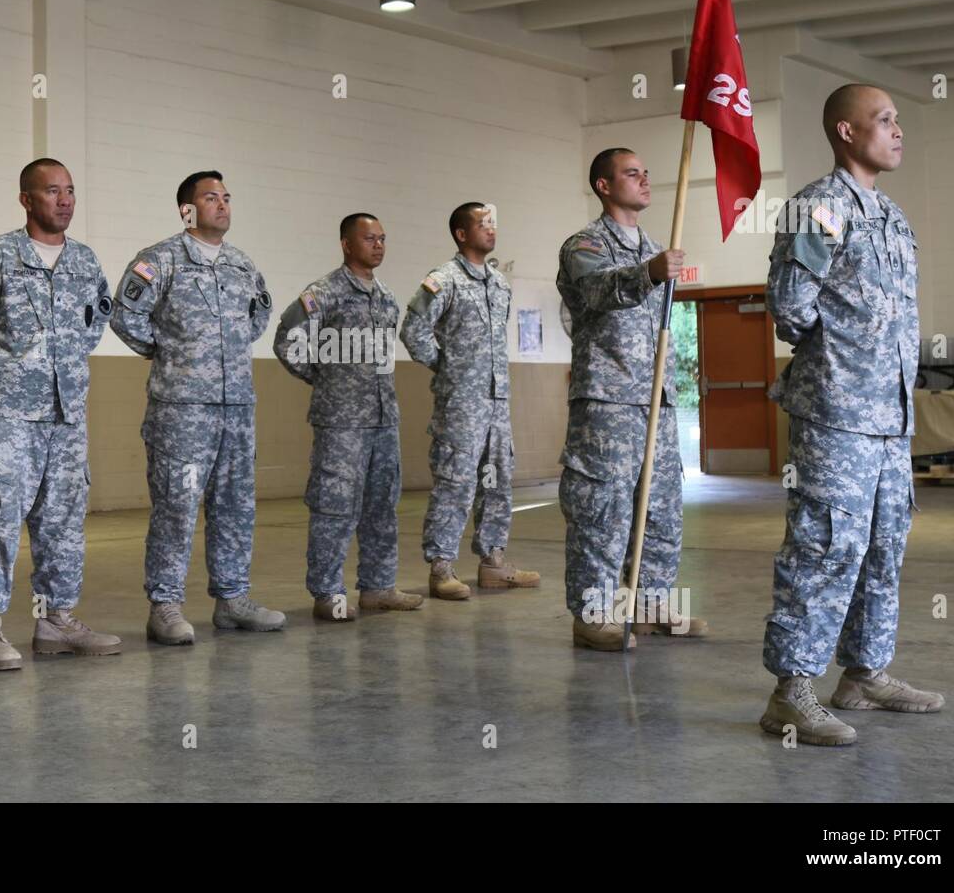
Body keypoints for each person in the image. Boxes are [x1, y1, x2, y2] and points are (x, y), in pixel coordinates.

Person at [760, 84, 944, 746]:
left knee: (883, 547)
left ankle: (864, 674)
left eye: (897, 120)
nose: (898, 131)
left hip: (890, 418)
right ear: (845, 130)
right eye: (885, 120)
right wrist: (837, 359)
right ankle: (791, 692)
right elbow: (789, 304)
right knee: (824, 548)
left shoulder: (891, 215)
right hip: (836, 411)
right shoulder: (819, 208)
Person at [0, 158, 120, 671]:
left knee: (62, 523)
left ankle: (55, 621)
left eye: (70, 191)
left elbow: (96, 321)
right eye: (51, 191)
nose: (64, 200)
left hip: (68, 417)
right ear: (26, 199)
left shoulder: (85, 261)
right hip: (9, 417)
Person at [112, 171, 285, 644]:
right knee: (177, 505)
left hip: (237, 409)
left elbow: (259, 314)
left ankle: (232, 600)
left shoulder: (242, 265)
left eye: (227, 197)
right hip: (182, 411)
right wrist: (171, 352)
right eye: (211, 198)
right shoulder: (160, 260)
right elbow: (125, 315)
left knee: (235, 504)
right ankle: (165, 606)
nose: (223, 205)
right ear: (187, 209)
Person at [556, 148, 707, 651]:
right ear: (603, 185)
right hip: (608, 402)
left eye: (646, 171)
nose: (644, 179)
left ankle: (651, 604)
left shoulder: (657, 247)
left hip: (655, 399)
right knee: (604, 509)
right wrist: (648, 273)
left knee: (662, 505)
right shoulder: (584, 244)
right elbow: (597, 291)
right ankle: (594, 615)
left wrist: (653, 266)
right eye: (630, 173)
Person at [273, 213, 423, 621]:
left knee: (382, 506)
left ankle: (378, 587)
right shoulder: (325, 293)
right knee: (334, 508)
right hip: (341, 424)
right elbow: (286, 340)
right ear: (345, 244)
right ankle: (328, 592)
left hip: (383, 419)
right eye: (369, 238)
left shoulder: (388, 297)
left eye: (382, 238)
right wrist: (326, 380)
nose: (378, 245)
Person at [400, 202, 539, 600]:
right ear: (462, 234)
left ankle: (493, 562)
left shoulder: (499, 283)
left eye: (494, 223)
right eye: (483, 224)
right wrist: (449, 369)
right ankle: (441, 567)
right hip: (461, 404)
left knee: (496, 481)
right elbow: (413, 330)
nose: (491, 230)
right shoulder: (443, 280)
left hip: (497, 403)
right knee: (455, 483)